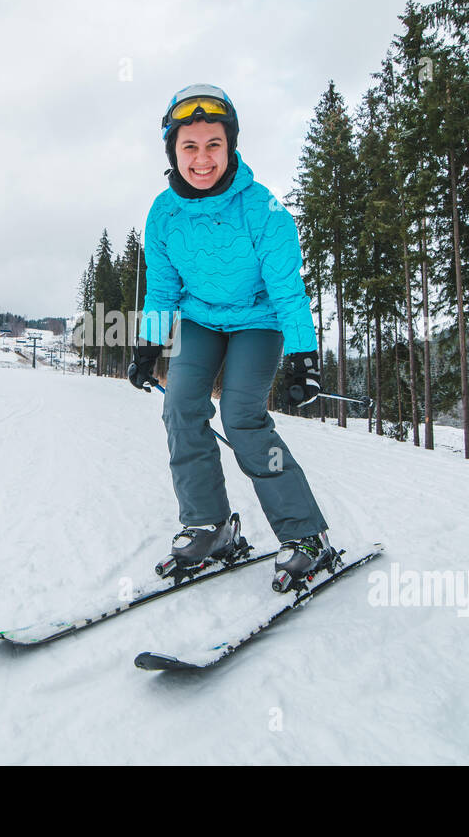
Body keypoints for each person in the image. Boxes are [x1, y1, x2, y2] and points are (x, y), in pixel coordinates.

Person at [127, 84, 330, 593]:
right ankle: (209, 525)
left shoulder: (264, 210)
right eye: (189, 146)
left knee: (242, 417)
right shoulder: (163, 213)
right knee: (180, 407)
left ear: (231, 146)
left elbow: (287, 289)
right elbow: (162, 289)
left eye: (213, 144)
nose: (201, 158)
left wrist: (304, 355)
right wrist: (147, 345)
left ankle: (306, 535)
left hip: (257, 320)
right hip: (199, 319)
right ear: (173, 151)